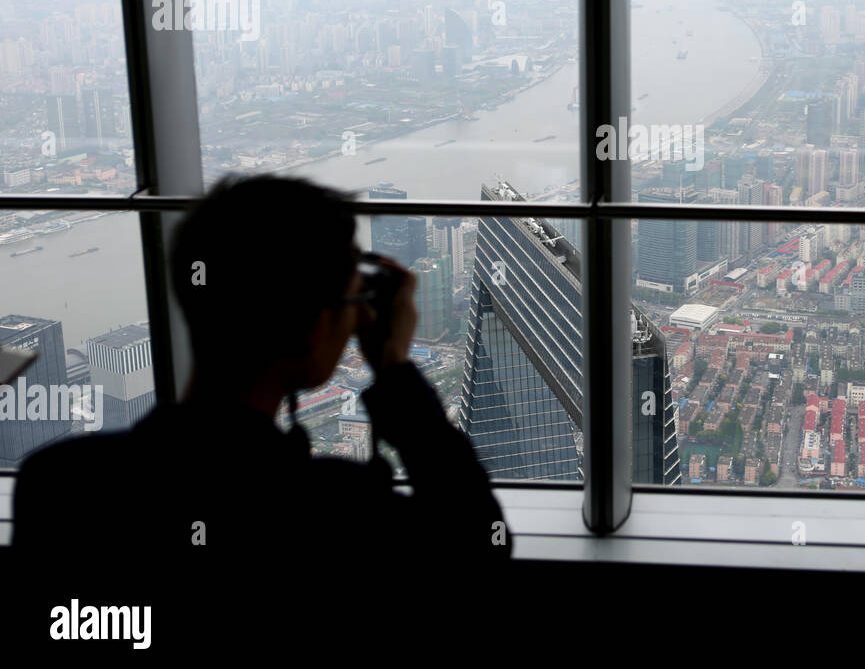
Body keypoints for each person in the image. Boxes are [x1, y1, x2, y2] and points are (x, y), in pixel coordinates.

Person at [15, 176, 509, 587]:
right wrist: (395, 371)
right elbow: (482, 545)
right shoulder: (334, 514)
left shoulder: (57, 482)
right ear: (317, 328)